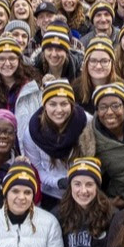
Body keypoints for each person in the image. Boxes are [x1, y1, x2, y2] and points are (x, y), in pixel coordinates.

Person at [20, 78, 86, 206]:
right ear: (44, 106)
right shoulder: (32, 132)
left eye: (64, 104)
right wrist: (58, 182)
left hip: (84, 190)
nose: (59, 110)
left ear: (71, 104)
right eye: (52, 104)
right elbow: (37, 168)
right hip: (52, 194)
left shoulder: (85, 123)